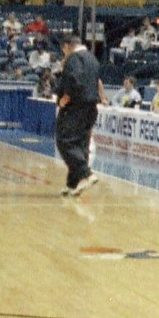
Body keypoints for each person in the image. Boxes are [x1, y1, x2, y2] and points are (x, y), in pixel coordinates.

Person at [54, 32, 102, 197]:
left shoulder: (73, 58)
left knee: (64, 141)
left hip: (75, 107)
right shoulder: (92, 58)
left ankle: (86, 173)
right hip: (91, 107)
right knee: (81, 144)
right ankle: (73, 184)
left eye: (64, 50)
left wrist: (65, 98)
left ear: (67, 46)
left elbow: (73, 80)